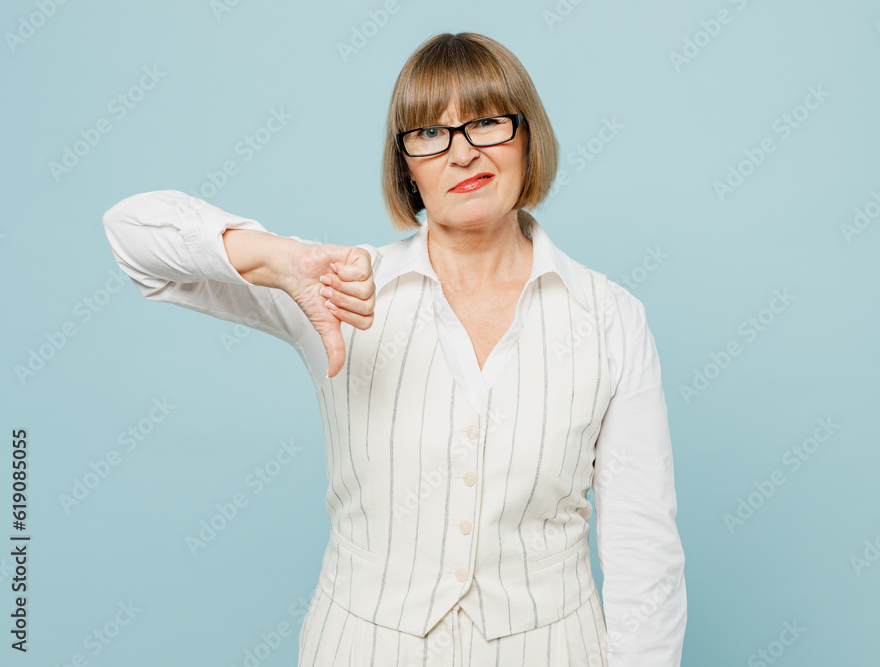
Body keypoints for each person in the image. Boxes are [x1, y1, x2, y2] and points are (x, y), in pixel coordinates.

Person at [102, 32, 686, 667]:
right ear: (406, 164)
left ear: (526, 136)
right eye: (430, 134)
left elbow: (643, 551)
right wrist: (279, 257)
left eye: (487, 122)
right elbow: (133, 238)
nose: (462, 153)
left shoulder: (611, 319)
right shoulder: (335, 287)